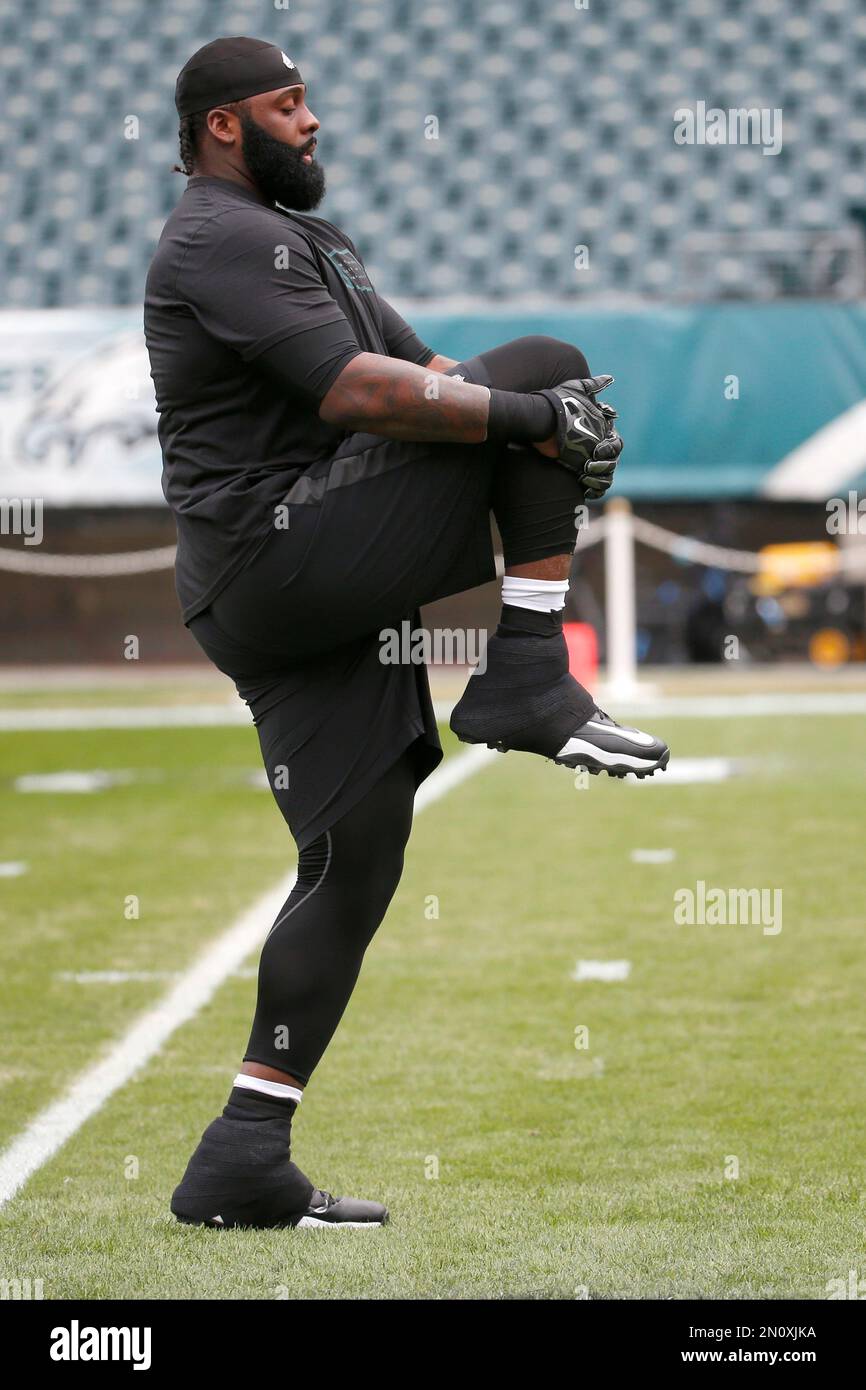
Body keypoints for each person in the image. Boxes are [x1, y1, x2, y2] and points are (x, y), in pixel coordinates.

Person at [144, 36, 669, 1231]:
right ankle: (525, 673)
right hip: (275, 555)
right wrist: (539, 414)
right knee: (546, 365)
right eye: (289, 104)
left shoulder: (305, 240)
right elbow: (358, 393)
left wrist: (538, 431)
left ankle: (243, 1153)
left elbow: (420, 369)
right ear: (226, 125)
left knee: (357, 853)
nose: (313, 120)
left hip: (288, 585)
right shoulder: (217, 237)